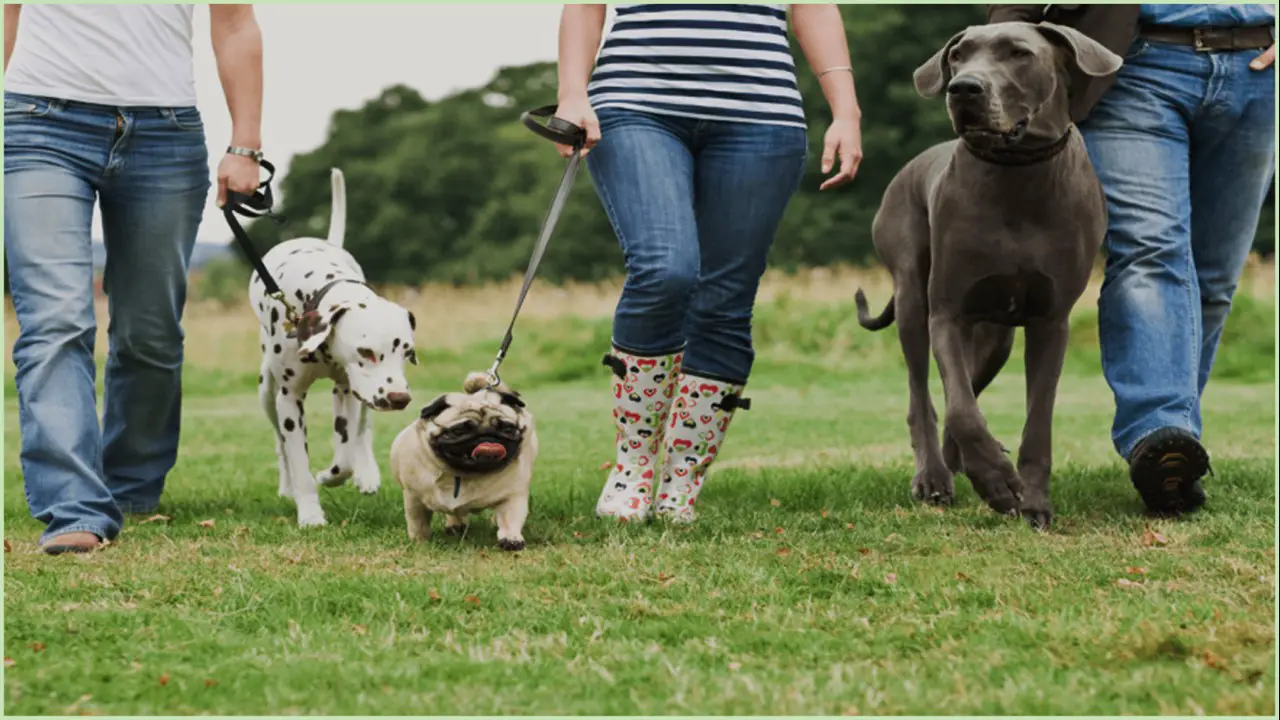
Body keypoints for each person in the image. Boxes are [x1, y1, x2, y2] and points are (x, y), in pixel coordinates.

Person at [554, 3, 863, 523]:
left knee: (726, 298)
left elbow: (814, 7)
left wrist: (846, 111)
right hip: (635, 105)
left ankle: (682, 475)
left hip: (761, 117)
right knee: (665, 268)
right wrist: (572, 92)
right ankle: (634, 464)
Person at [987, 5, 1276, 513]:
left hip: (1259, 67)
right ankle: (1160, 436)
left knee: (1213, 276)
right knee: (1151, 249)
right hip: (1135, 64)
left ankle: (1176, 452)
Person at [4, 4, 265, 554]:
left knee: (151, 333)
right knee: (55, 321)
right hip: (38, 123)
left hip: (165, 134)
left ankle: (129, 490)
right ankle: (74, 506)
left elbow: (235, 23)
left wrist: (245, 145)